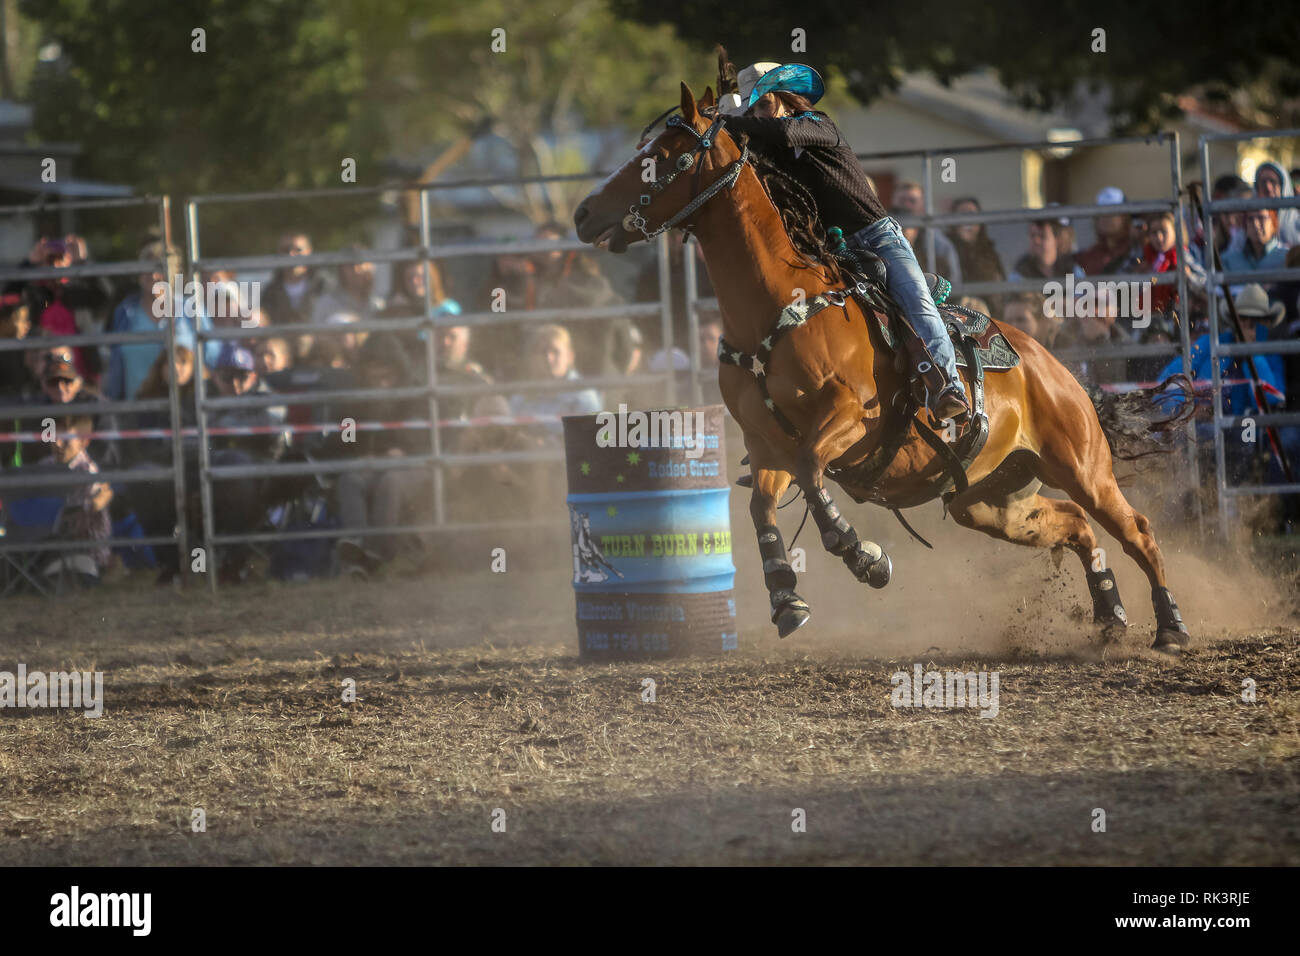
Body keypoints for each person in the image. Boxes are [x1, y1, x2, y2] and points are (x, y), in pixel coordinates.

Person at [717, 62, 970, 421]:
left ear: (786, 101)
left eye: (764, 104)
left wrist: (730, 120)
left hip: (878, 236)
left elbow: (784, 134)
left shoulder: (819, 125)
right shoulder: (775, 153)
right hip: (832, 250)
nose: (758, 113)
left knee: (917, 301)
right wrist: (728, 124)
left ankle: (949, 385)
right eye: (753, 107)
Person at [892, 180, 963, 286]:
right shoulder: (881, 232)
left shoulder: (936, 241)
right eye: (902, 200)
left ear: (922, 205)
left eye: (912, 201)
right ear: (893, 201)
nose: (906, 205)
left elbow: (954, 279)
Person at [261, 232, 329, 326]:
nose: (291, 254)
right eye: (285, 250)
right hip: (280, 339)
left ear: (308, 252)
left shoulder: (325, 285)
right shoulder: (269, 291)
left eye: (298, 250)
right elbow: (265, 324)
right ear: (278, 253)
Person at [1077, 187, 1135, 276]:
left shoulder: (1136, 253)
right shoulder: (1087, 258)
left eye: (1112, 212)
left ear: (1124, 217)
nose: (1106, 218)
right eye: (1101, 212)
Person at [1009, 219, 1083, 281]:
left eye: (1042, 236)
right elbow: (1015, 296)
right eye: (1032, 235)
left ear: (1057, 240)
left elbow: (1083, 297)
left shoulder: (1072, 270)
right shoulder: (1021, 271)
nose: (1036, 240)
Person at [1254, 162, 1300, 247]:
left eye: (1273, 181)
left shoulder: (1298, 225)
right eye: (1263, 182)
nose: (1268, 187)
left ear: (1284, 185)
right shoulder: (1250, 222)